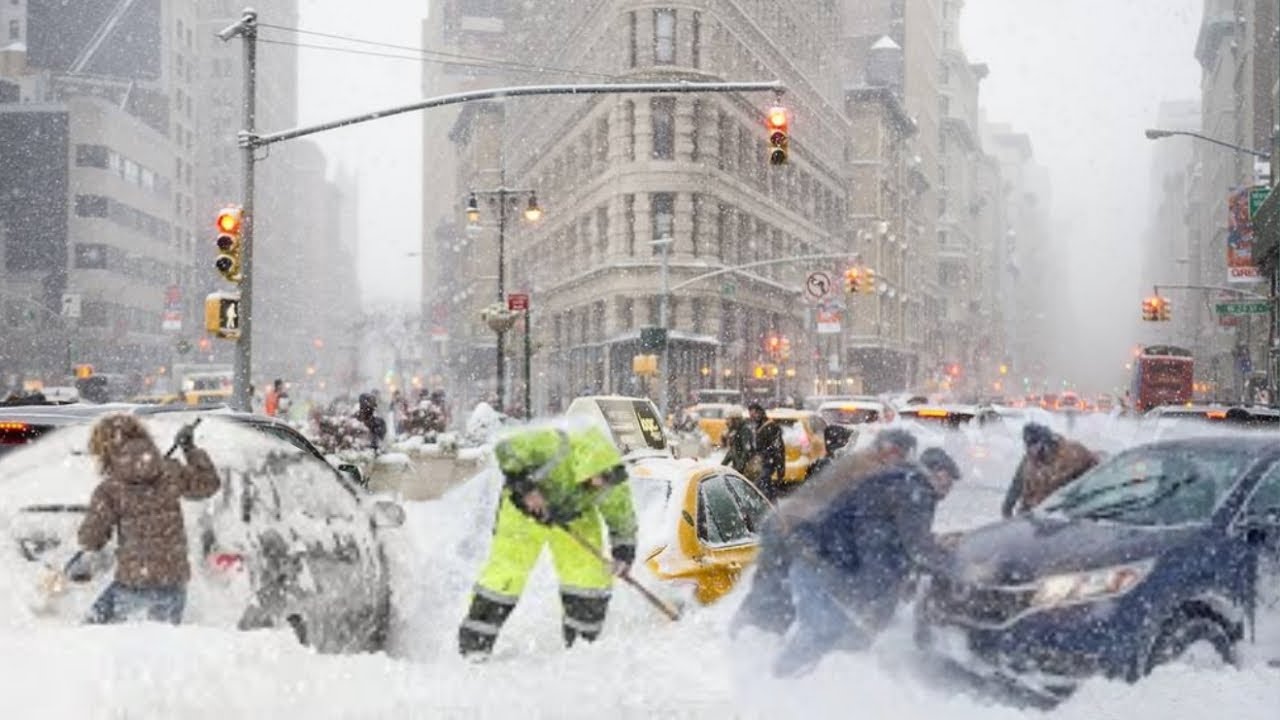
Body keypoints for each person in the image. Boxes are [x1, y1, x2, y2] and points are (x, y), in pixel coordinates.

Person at [770, 447, 963, 676]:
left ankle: (802, 681)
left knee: (842, 636)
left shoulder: (899, 481)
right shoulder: (915, 491)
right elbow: (916, 549)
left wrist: (932, 542)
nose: (948, 489)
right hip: (825, 566)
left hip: (821, 560)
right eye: (948, 481)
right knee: (826, 631)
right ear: (937, 473)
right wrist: (958, 568)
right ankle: (780, 682)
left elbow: (888, 530)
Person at [458, 419, 637, 660]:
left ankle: (583, 647)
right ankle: (475, 646)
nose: (600, 487)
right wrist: (526, 487)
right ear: (588, 465)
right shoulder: (554, 445)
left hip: (575, 515)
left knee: (589, 577)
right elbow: (506, 448)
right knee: (506, 575)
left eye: (604, 483)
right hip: (524, 514)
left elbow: (621, 514)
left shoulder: (609, 477)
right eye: (597, 479)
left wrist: (623, 551)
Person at [731, 428, 919, 639]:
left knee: (780, 580)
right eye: (893, 451)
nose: (895, 457)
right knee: (781, 580)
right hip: (792, 527)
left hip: (797, 526)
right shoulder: (866, 467)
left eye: (901, 454)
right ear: (883, 447)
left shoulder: (873, 468)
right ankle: (756, 627)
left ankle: (759, 625)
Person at [75, 414, 220, 624]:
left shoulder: (110, 490)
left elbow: (90, 538)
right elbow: (209, 484)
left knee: (90, 637)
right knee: (160, 649)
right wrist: (190, 449)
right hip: (173, 583)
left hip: (133, 582)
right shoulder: (170, 471)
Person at [1002, 423, 1099, 517]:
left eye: (1035, 444)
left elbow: (1097, 471)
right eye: (1028, 446)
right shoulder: (1028, 461)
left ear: (1045, 441)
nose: (1031, 450)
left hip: (1064, 515)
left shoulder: (1072, 454)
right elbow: (1016, 486)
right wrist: (1007, 509)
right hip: (1032, 515)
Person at [749, 403, 786, 499]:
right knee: (767, 488)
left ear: (760, 413)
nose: (752, 417)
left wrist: (780, 470)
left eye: (754, 414)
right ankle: (773, 508)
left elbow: (779, 449)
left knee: (758, 486)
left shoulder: (771, 427)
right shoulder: (758, 427)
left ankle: (770, 508)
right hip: (762, 463)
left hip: (769, 463)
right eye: (751, 415)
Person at [720, 410, 755, 476]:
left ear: (735, 420)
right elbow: (732, 451)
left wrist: (740, 468)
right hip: (738, 467)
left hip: (746, 469)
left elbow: (746, 450)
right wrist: (722, 465)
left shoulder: (744, 430)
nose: (727, 422)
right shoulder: (736, 430)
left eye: (729, 420)